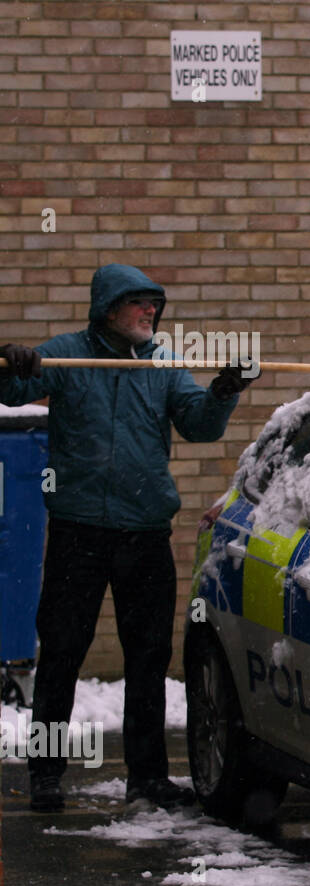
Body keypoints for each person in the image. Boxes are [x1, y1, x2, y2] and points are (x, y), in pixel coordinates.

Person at [0, 264, 255, 812]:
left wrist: (225, 391)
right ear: (108, 308)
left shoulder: (162, 363)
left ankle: (148, 778)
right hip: (78, 534)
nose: (149, 313)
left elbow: (200, 425)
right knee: (64, 654)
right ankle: (46, 776)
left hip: (144, 534)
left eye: (154, 306)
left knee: (148, 659)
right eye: (138, 304)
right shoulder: (69, 354)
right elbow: (14, 387)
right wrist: (9, 360)